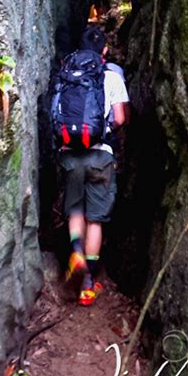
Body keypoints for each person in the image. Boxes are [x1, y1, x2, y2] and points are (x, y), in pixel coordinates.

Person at [56, 26, 129, 306]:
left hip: (69, 154)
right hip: (100, 155)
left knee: (75, 209)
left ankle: (75, 251)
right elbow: (121, 118)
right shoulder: (110, 76)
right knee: (95, 218)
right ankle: (88, 283)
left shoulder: (67, 73)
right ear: (105, 51)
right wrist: (107, 130)